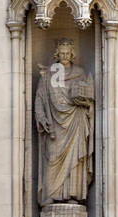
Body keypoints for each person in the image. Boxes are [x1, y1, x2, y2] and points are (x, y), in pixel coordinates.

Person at [34, 38, 95, 205]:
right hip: (54, 124)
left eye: (68, 53)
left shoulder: (79, 73)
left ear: (72, 54)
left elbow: (88, 96)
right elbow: (39, 98)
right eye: (62, 53)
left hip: (75, 120)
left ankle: (72, 195)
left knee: (75, 157)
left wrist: (84, 101)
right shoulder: (49, 75)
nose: (65, 56)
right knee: (53, 157)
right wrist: (41, 117)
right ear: (57, 54)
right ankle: (51, 195)